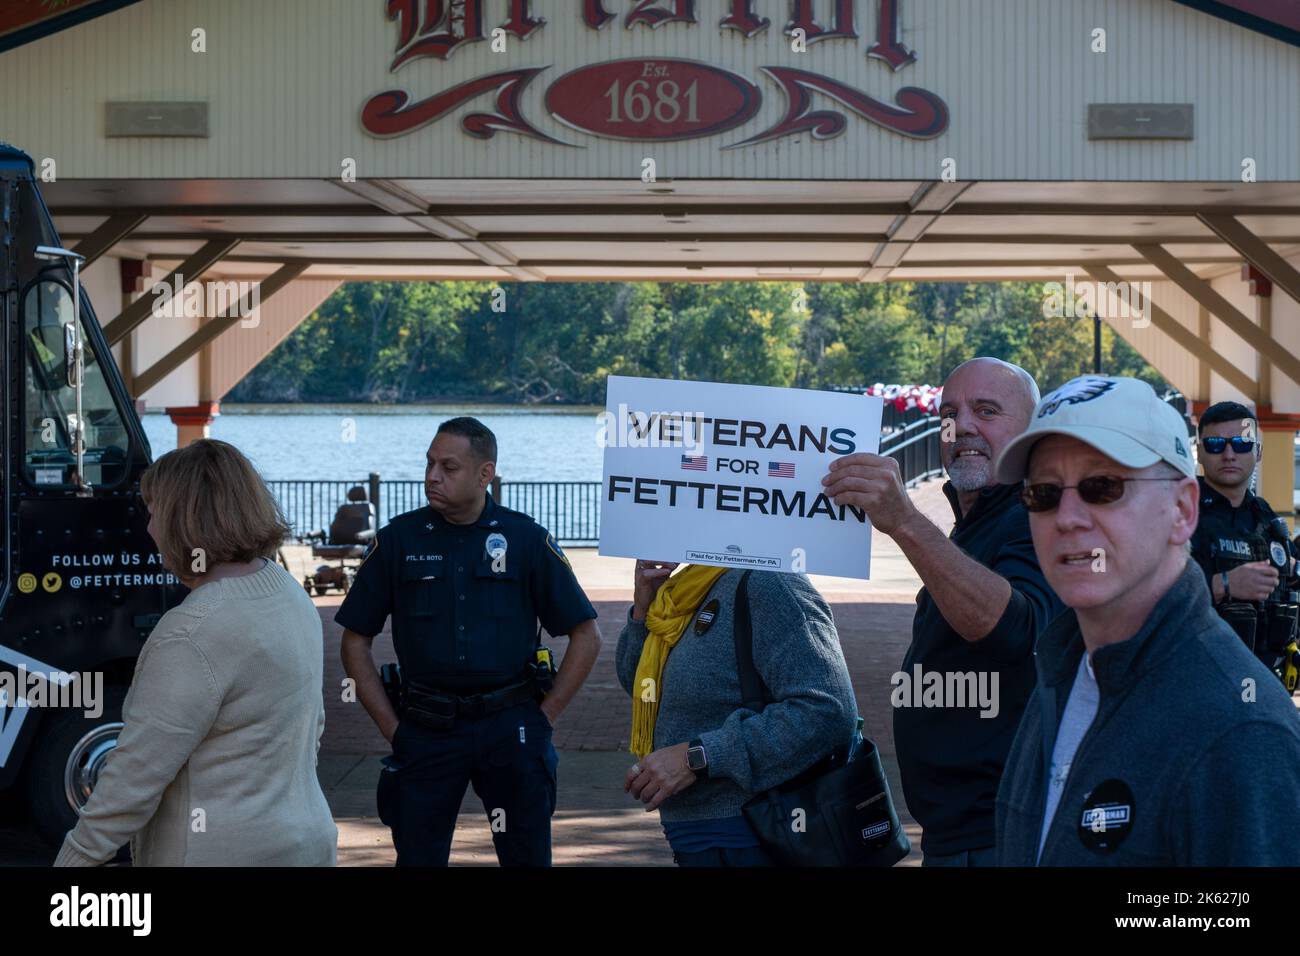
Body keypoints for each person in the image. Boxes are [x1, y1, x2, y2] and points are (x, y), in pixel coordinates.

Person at [992, 375, 1300, 865]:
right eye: (1043, 493)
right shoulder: (1062, 668)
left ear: (1182, 509)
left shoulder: (1243, 732)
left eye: (1103, 486)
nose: (1068, 517)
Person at [821, 357, 1062, 866]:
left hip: (1001, 833)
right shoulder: (978, 522)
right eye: (949, 412)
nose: (964, 426)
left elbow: (1011, 629)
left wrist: (904, 520)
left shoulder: (1039, 516)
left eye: (988, 410)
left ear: (1034, 433)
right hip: (960, 833)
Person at [55, 439, 337, 866]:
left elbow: (133, 779)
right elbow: (311, 727)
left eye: (154, 512)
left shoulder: (191, 633)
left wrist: (73, 863)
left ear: (183, 520)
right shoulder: (288, 594)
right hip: (306, 841)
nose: (148, 528)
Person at [337, 417, 601, 867]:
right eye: (429, 464)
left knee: (526, 857)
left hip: (513, 729)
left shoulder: (526, 539)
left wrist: (544, 717)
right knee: (418, 858)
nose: (432, 476)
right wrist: (392, 729)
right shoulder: (398, 541)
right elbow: (355, 641)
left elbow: (586, 635)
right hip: (426, 727)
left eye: (448, 467)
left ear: (485, 474)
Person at [616, 562, 857, 866]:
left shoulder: (772, 583)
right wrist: (642, 611)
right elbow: (642, 688)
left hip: (755, 832)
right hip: (699, 835)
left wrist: (698, 758)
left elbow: (829, 710)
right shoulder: (687, 588)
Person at [1188, 401, 1299, 684]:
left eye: (1241, 444)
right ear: (1200, 452)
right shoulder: (1179, 513)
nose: (1228, 454)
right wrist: (1222, 585)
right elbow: (1147, 597)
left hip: (1266, 683)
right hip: (1200, 682)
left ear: (1257, 452)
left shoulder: (1269, 521)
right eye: (1215, 444)